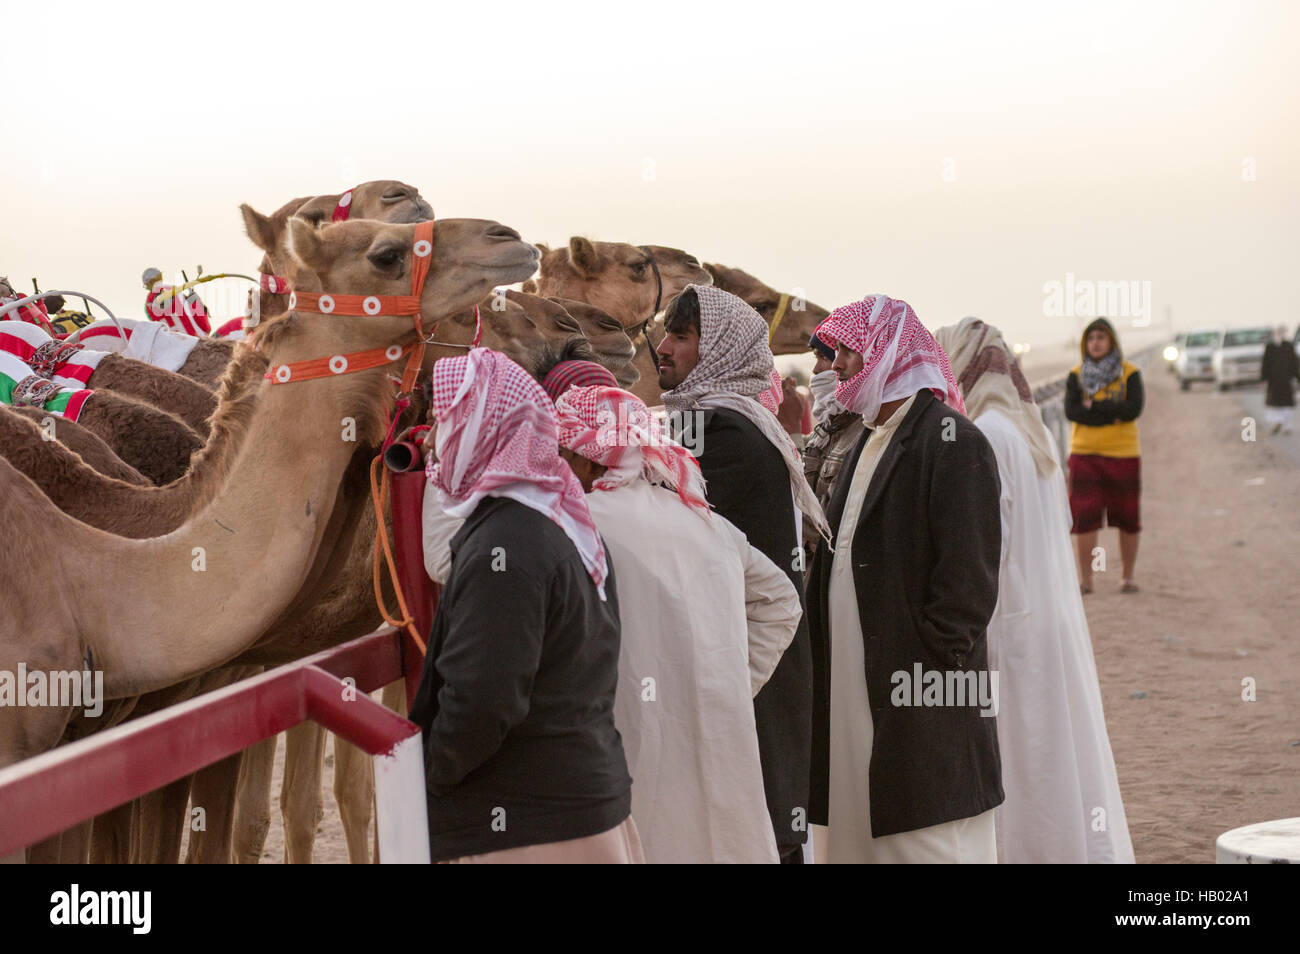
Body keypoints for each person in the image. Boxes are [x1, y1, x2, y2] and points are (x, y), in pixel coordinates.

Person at [409, 348, 640, 864]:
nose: (430, 439)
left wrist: (428, 777)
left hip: (528, 831)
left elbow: (483, 701)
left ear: (481, 428)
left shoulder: (507, 543)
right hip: (574, 813)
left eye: (445, 421)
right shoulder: (553, 521)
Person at [553, 384, 801, 863]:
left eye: (562, 452)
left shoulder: (579, 520)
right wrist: (730, 682)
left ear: (590, 457)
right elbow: (782, 602)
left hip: (632, 738)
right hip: (719, 729)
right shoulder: (704, 520)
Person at [806, 294, 1003, 864]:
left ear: (884, 353)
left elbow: (969, 580)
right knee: (858, 825)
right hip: (853, 682)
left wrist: (925, 662)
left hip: (916, 692)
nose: (836, 363)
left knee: (923, 836)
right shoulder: (868, 438)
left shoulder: (954, 442)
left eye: (846, 350)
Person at [937, 317, 1135, 864]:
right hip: (1047, 620)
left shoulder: (989, 436)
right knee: (1055, 753)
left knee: (1024, 761)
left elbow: (986, 548)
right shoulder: (1033, 431)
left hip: (1012, 626)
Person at [657, 284, 828, 863]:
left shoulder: (719, 429)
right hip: (755, 648)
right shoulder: (732, 418)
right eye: (665, 333)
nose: (661, 346)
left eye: (680, 336)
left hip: (748, 650)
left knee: (754, 822)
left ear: (719, 351)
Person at [1063, 317, 1143, 594]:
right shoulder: (1076, 375)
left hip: (1123, 454)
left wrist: (1094, 407)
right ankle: (1086, 580)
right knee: (1084, 517)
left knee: (1128, 517)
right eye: (1091, 339)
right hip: (1084, 454)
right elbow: (1073, 412)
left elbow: (1133, 409)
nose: (1095, 343)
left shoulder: (1130, 373)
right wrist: (1112, 411)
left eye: (1101, 338)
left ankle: (1127, 577)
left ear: (1112, 342)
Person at [802, 332, 866, 573]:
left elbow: (836, 526)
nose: (817, 370)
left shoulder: (865, 431)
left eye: (823, 358)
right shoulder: (826, 427)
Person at [142, 266, 211, 337]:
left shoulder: (147, 306)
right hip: (196, 340)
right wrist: (196, 302)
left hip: (173, 345)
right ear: (160, 277)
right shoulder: (174, 290)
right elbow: (204, 324)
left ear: (147, 284)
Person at [1261, 325, 1299, 435]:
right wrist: (1263, 378)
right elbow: (1265, 364)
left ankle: (1286, 426)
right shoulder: (1270, 347)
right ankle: (1278, 423)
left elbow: (1295, 363)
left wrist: (1297, 377)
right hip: (1274, 381)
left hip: (1286, 381)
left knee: (1286, 404)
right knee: (1275, 405)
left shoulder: (1288, 346)